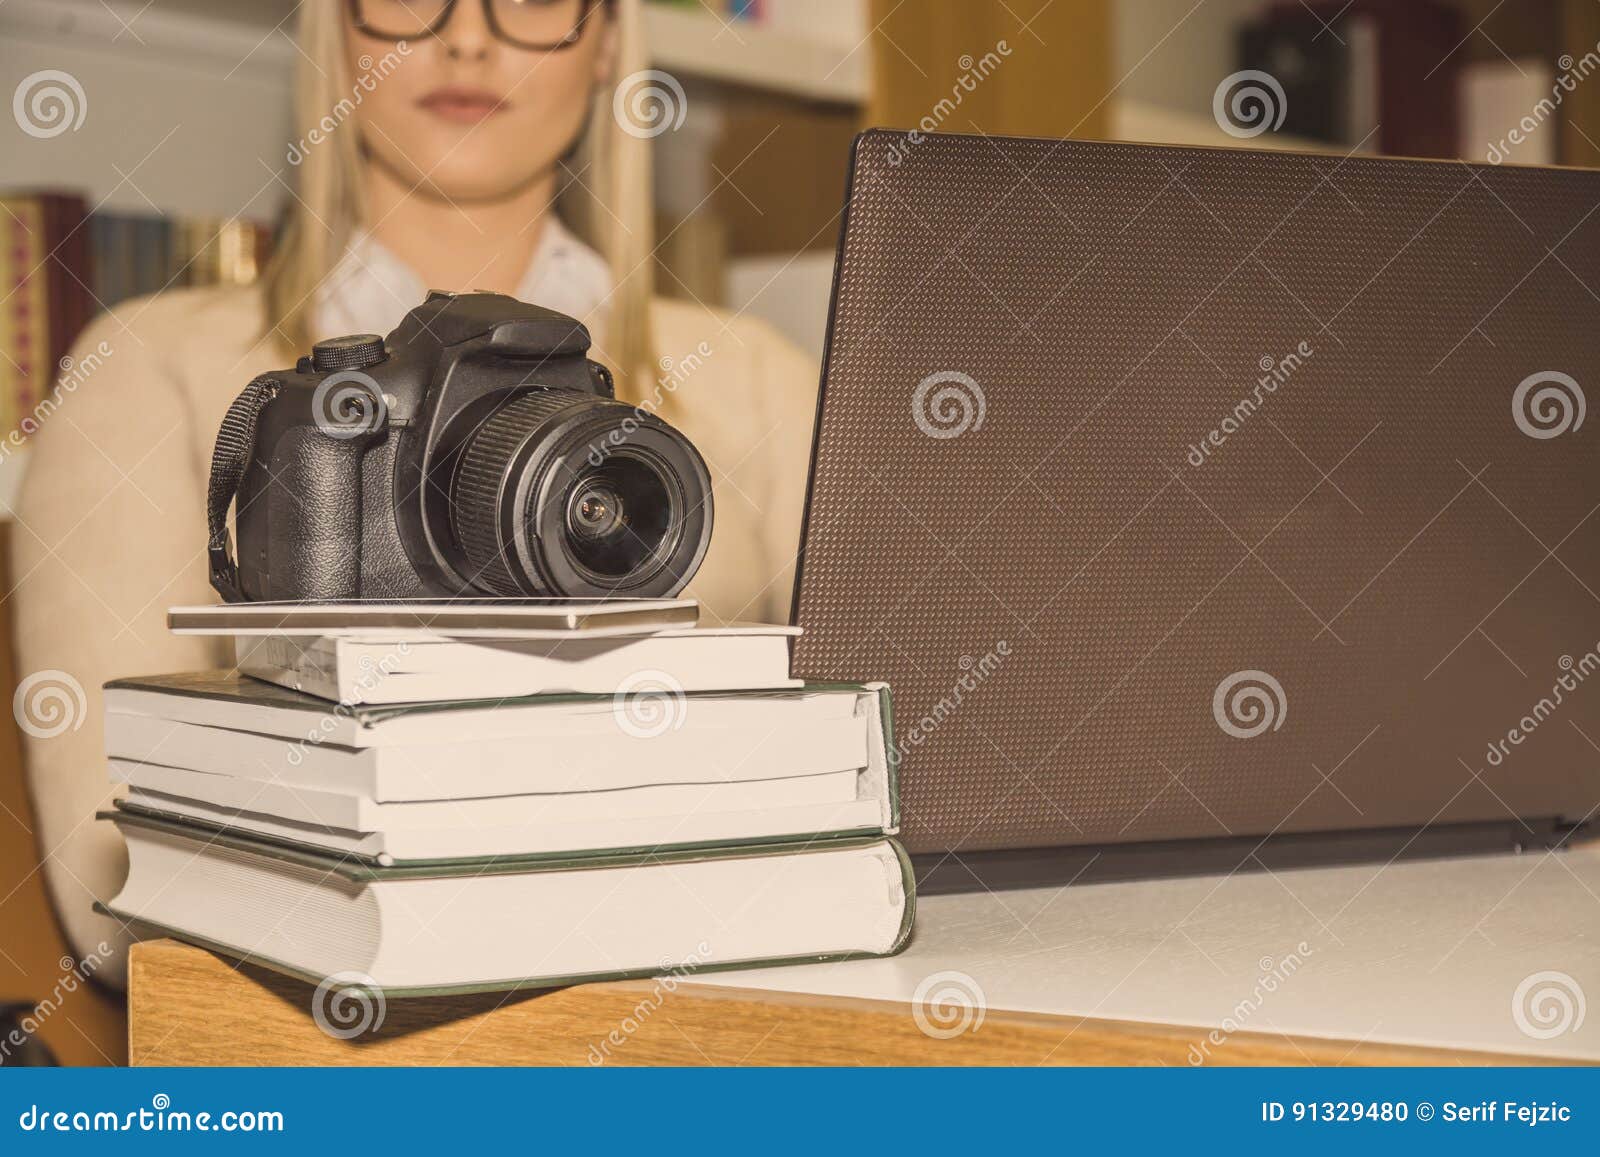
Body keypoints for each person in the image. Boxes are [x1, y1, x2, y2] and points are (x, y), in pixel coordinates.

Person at [11, 0, 820, 980]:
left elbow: (877, 783)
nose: (466, 36)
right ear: (334, 32)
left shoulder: (760, 378)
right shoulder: (153, 365)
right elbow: (114, 885)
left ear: (608, 37)